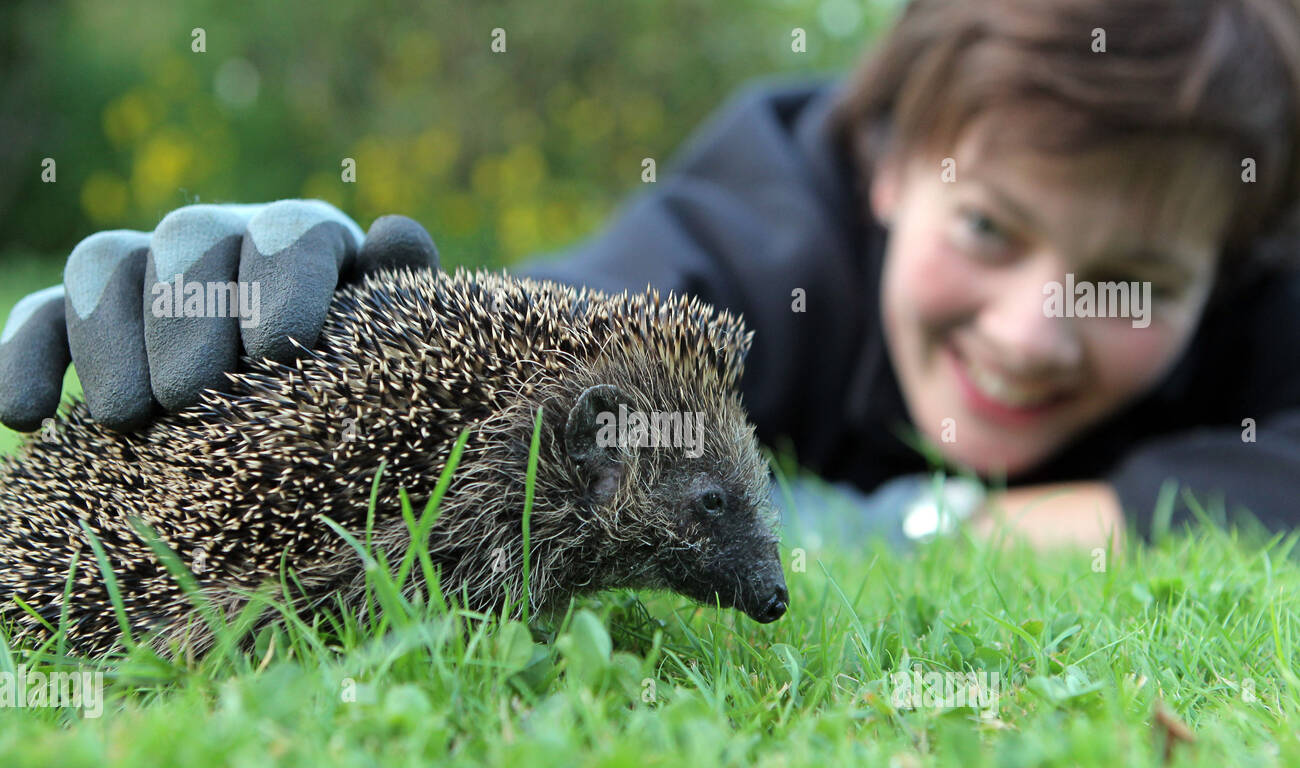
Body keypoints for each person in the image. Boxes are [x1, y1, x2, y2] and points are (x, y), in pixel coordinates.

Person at [4, 0, 1300, 552]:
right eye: (989, 232)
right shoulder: (742, 256)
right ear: (894, 166)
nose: (1029, 333)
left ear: (1237, 265)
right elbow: (536, 352)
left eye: (1127, 284)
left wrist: (957, 530)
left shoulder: (1267, 291)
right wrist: (343, 325)